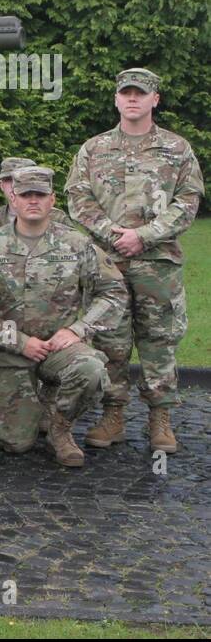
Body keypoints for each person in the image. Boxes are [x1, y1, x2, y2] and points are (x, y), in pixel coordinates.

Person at [66, 67, 204, 454]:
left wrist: (144, 235)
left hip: (157, 263)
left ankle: (161, 418)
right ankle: (113, 416)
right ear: (115, 99)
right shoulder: (94, 149)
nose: (132, 99)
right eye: (125, 92)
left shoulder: (177, 149)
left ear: (154, 100)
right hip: (107, 263)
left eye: (140, 94)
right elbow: (78, 197)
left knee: (159, 341)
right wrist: (112, 233)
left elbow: (188, 202)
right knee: (110, 340)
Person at [0, 167, 127, 467]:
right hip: (8, 352)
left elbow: (113, 293)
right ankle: (32, 402)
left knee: (91, 369)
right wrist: (19, 341)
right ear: (13, 199)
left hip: (59, 347)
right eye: (26, 195)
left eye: (40, 195)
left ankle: (60, 428)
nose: (33, 201)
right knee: (14, 442)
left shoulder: (77, 244)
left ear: (52, 199)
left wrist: (78, 329)